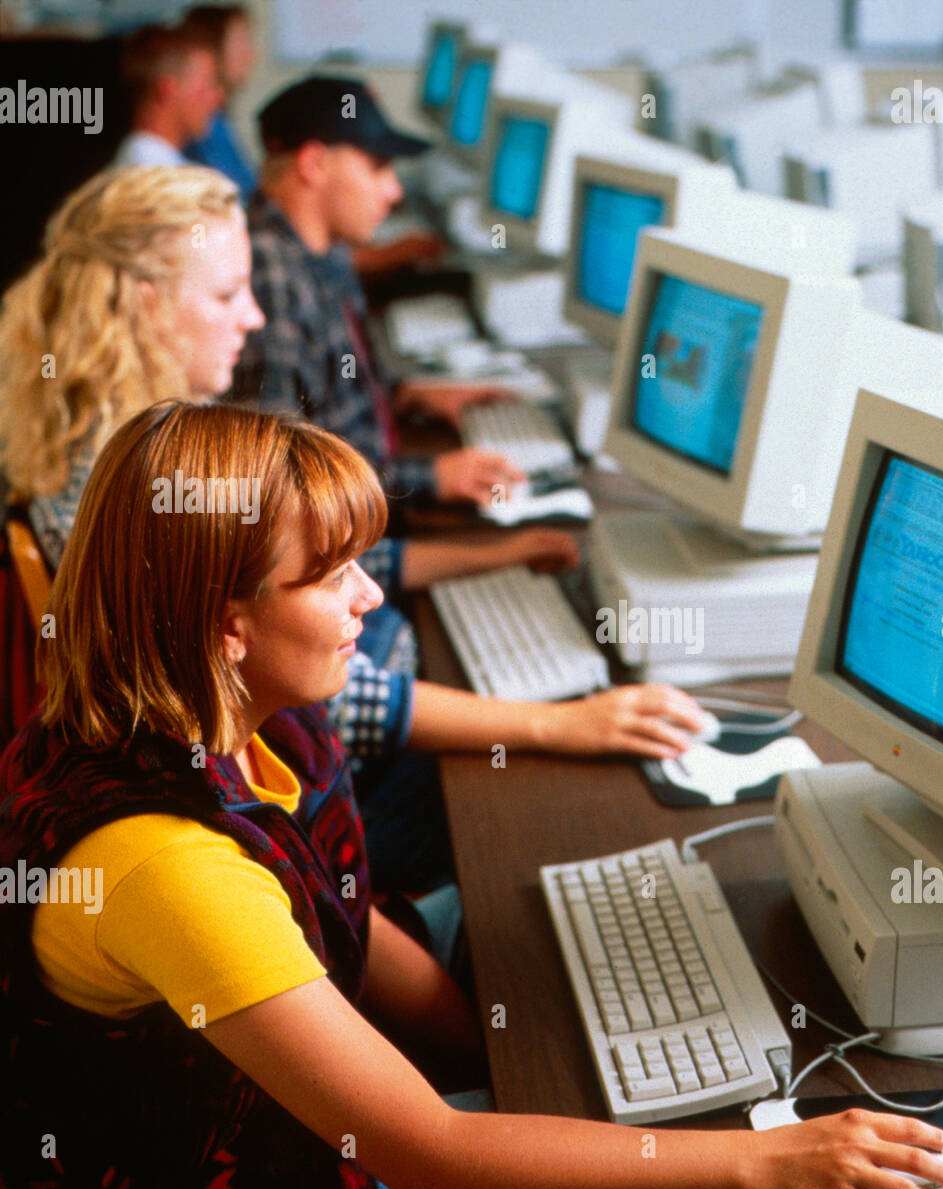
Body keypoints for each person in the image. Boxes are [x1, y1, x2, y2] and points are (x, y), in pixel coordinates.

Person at [0, 399, 943, 1189]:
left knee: (559, 942)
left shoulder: (224, 710)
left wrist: (487, 1051)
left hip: (271, 1083)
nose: (369, 597)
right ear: (226, 624)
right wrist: (759, 1163)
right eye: (331, 575)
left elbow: (340, 920)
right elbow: (433, 1159)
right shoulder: (170, 865)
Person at [0, 166, 708, 889]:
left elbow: (304, 567)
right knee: (527, 824)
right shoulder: (139, 484)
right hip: (283, 799)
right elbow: (338, 695)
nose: (254, 316)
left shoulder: (113, 437)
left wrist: (489, 557)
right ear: (144, 305)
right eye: (225, 295)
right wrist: (557, 724)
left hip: (269, 761)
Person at [228, 75, 524, 514]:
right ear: (314, 164)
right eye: (378, 166)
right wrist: (433, 478)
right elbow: (284, 485)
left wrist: (405, 395)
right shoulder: (269, 277)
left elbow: (322, 393)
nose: (394, 191)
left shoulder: (321, 250)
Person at [113, 21, 225, 169]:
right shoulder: (158, 179)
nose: (219, 97)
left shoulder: (140, 163)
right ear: (167, 90)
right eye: (208, 84)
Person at [181, 4, 260, 202]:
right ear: (211, 50)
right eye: (241, 42)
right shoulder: (204, 127)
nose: (251, 54)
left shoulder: (220, 122)